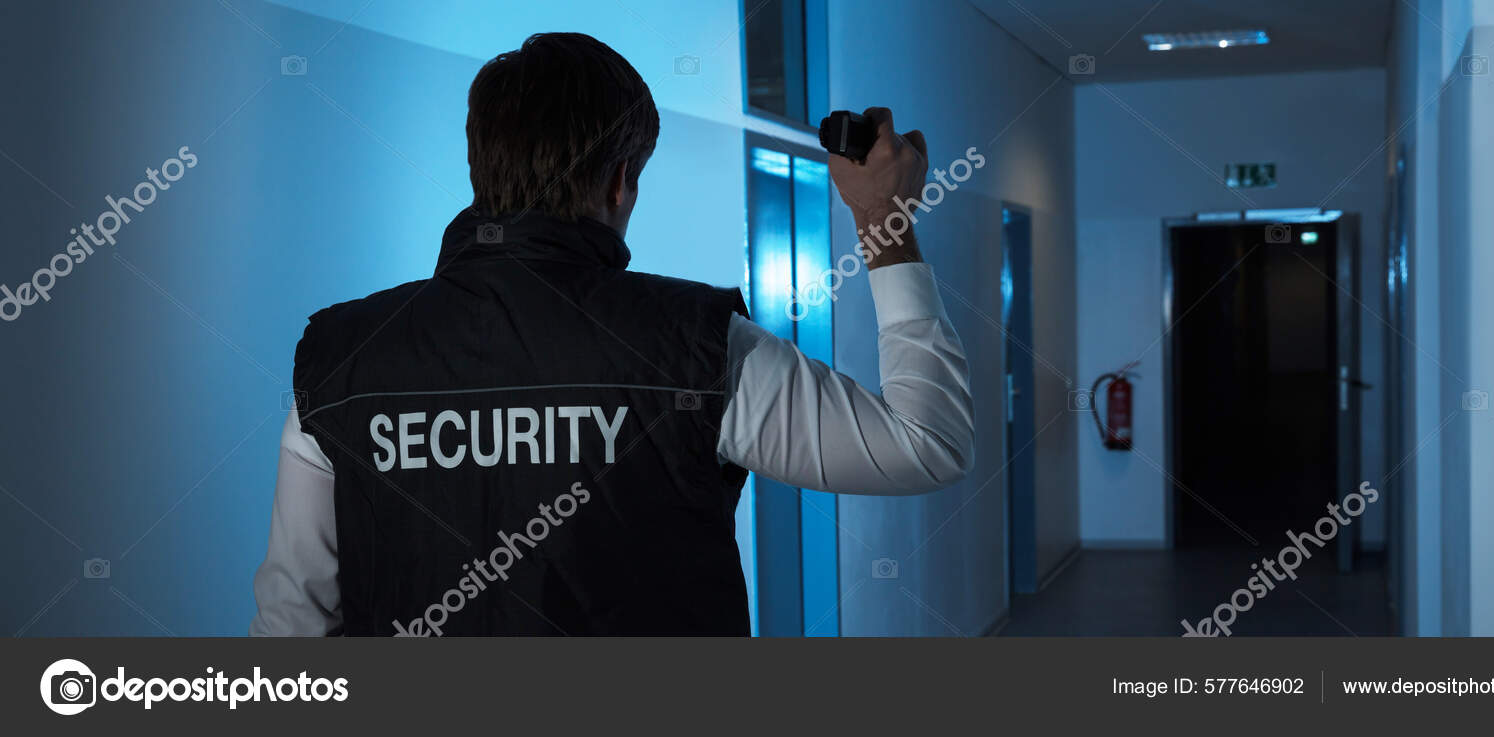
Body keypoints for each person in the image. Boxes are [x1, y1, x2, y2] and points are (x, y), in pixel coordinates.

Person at [250, 32, 973, 636]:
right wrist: (884, 223)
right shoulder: (697, 348)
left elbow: (290, 629)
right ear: (622, 179)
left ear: (481, 165)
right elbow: (927, 443)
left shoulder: (339, 359)